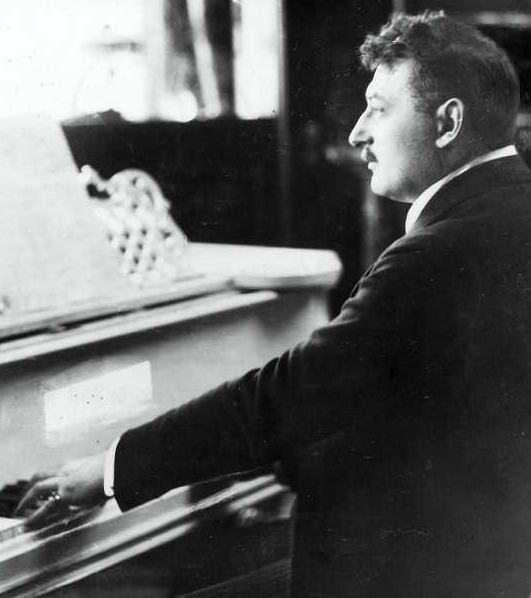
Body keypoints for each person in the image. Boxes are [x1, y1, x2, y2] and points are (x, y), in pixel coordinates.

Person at [17, 10, 531, 596]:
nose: (357, 133)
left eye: (379, 108)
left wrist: (110, 468)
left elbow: (287, 398)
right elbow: (423, 410)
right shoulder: (508, 213)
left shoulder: (433, 255)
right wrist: (273, 455)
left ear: (448, 122)